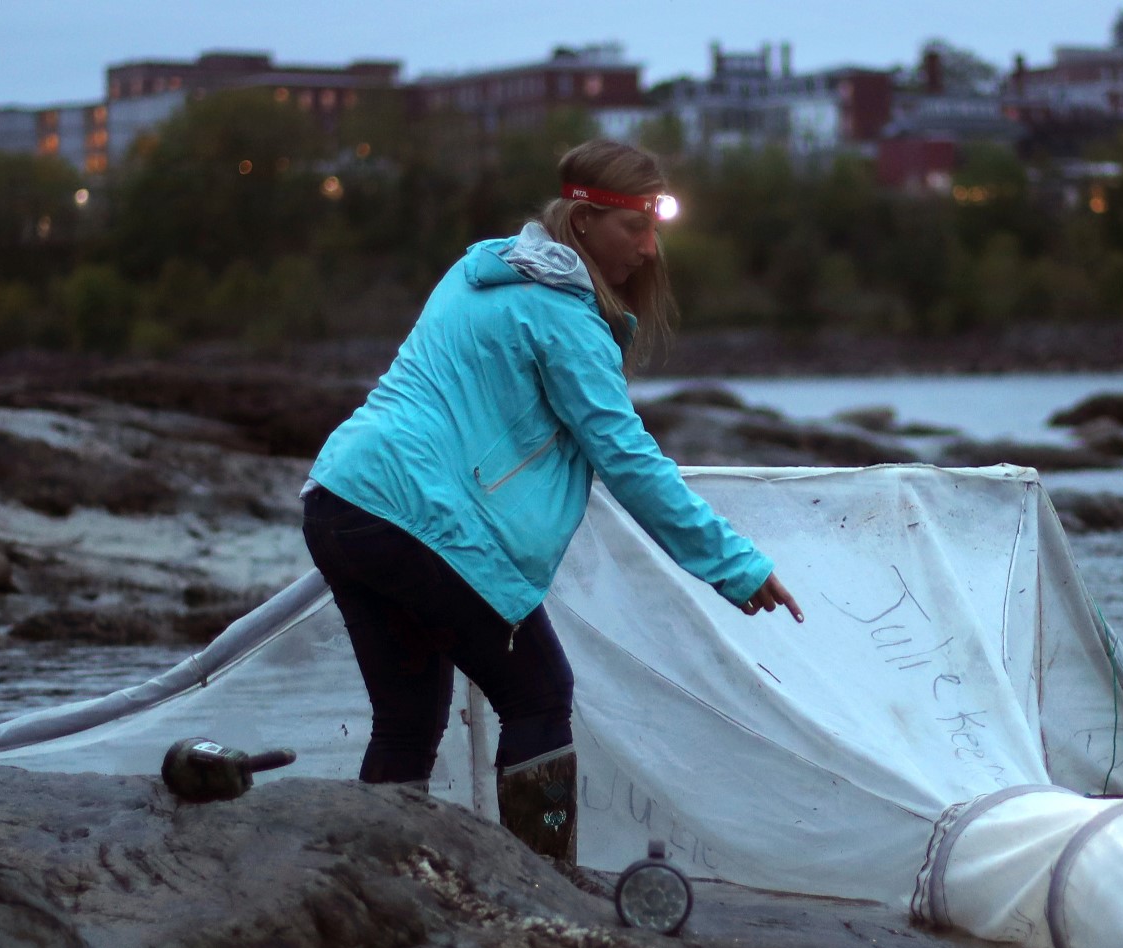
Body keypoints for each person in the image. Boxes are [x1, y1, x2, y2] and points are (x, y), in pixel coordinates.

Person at [301, 139, 802, 856]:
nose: (651, 249)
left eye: (656, 229)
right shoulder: (566, 320)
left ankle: (374, 882)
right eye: (637, 228)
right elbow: (629, 463)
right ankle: (545, 889)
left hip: (341, 500)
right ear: (584, 221)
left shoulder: (479, 270)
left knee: (408, 721)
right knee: (538, 695)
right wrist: (737, 568)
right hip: (422, 520)